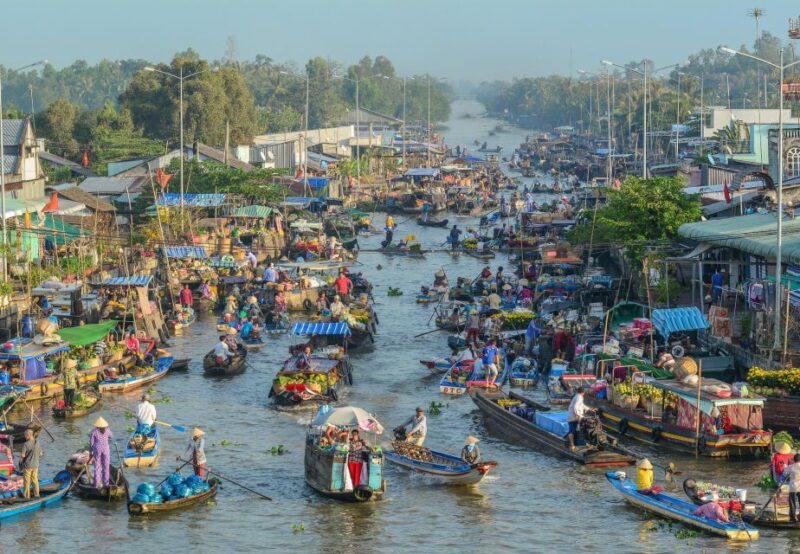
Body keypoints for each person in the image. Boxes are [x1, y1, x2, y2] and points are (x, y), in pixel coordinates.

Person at [89, 417, 113, 489]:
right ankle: (106, 483)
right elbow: (111, 437)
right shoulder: (108, 430)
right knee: (106, 466)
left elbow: (91, 443)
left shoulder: (94, 431)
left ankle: (97, 484)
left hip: (97, 450)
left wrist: (90, 452)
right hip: (106, 449)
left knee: (97, 466)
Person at [567, 387, 592, 451]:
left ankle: (583, 443)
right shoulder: (579, 397)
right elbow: (575, 406)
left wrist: (589, 409)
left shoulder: (577, 396)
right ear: (583, 392)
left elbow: (582, 405)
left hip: (573, 416)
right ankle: (572, 446)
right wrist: (578, 415)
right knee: (573, 431)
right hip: (574, 417)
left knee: (577, 429)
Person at [19, 428, 42, 499]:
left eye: (25, 436)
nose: (24, 437)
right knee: (35, 480)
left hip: (27, 466)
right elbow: (41, 454)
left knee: (27, 482)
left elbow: (22, 456)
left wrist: (20, 462)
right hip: (36, 465)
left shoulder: (26, 444)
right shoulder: (37, 442)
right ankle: (37, 494)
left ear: (28, 435)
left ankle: (26, 496)